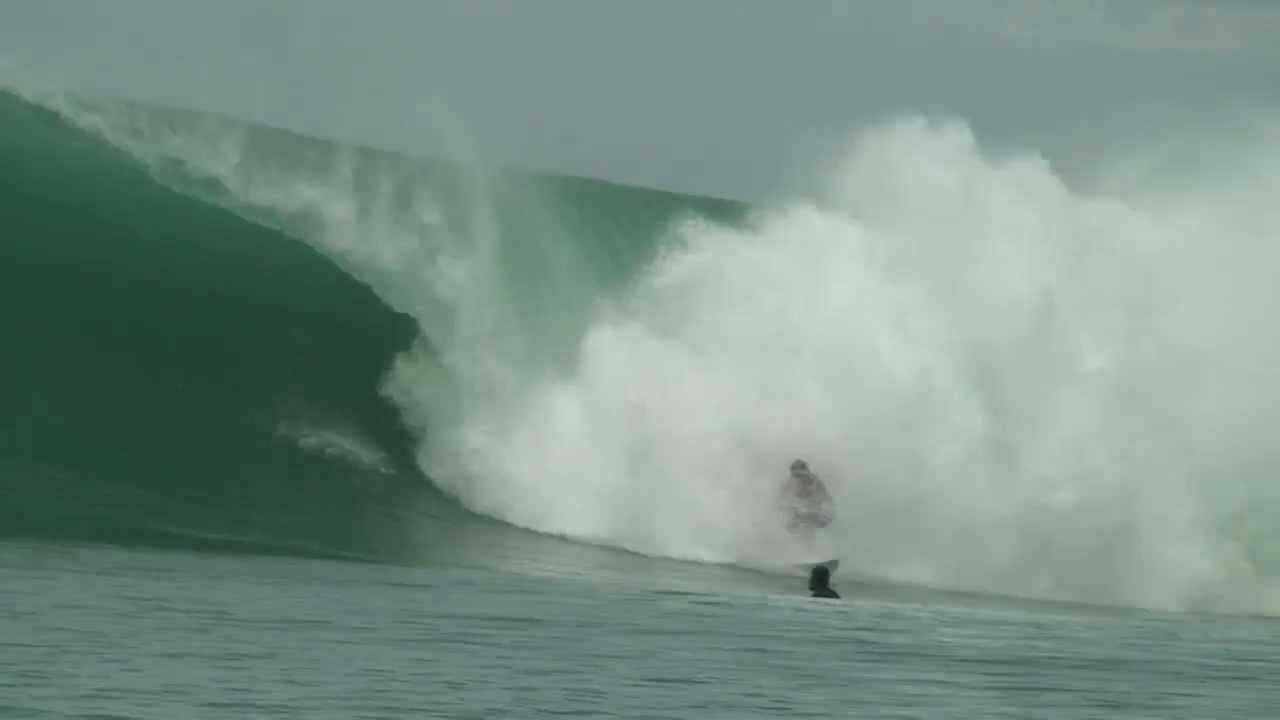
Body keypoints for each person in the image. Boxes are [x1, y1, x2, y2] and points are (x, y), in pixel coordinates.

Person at [780, 458, 834, 531]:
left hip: (815, 516)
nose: (800, 479)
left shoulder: (816, 483)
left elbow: (827, 501)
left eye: (801, 475)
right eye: (796, 476)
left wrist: (815, 515)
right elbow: (781, 500)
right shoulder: (790, 484)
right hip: (799, 516)